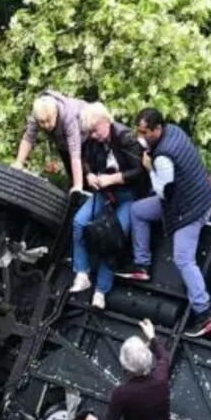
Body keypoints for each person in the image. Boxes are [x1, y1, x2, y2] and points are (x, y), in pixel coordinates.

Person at [116, 108, 211, 338]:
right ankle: (141, 265)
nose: (141, 137)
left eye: (145, 132)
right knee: (137, 211)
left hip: (190, 210)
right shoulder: (174, 130)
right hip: (195, 196)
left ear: (157, 128)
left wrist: (148, 168)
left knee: (184, 259)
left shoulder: (162, 157)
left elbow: (164, 192)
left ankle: (205, 313)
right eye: (139, 131)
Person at [70, 103, 150, 310]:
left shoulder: (126, 139)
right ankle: (81, 272)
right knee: (79, 222)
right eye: (90, 132)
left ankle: (101, 291)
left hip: (127, 195)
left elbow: (140, 172)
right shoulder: (94, 140)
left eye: (95, 130)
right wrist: (88, 175)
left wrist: (112, 179)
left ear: (106, 121)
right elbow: (85, 159)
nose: (93, 136)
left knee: (113, 239)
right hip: (103, 192)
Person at [12, 90, 87, 193]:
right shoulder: (37, 114)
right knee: (71, 179)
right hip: (63, 143)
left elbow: (75, 153)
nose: (46, 125)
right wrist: (18, 162)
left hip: (87, 137)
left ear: (55, 113)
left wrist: (78, 186)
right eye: (42, 122)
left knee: (86, 179)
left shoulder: (68, 116)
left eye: (48, 120)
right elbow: (29, 138)